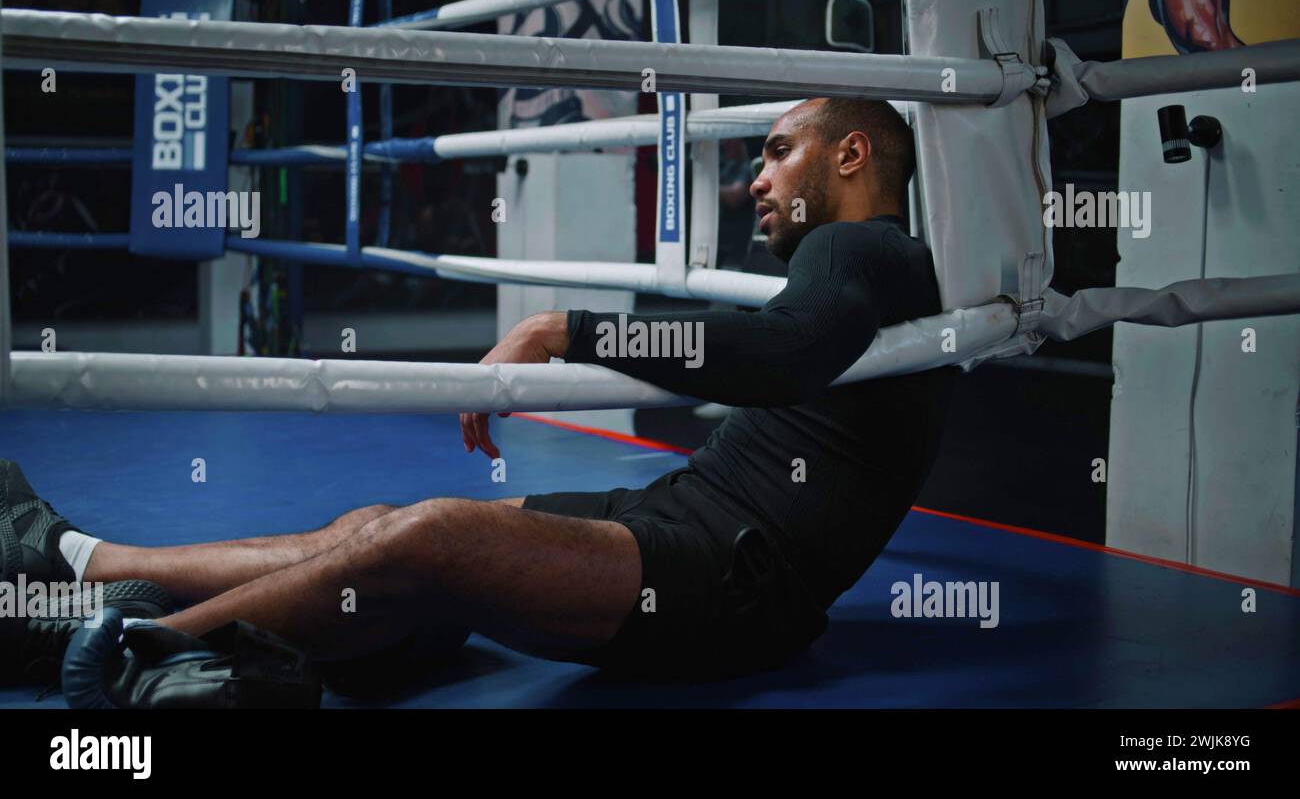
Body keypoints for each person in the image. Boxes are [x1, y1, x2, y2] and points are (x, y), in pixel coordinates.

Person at [0, 97, 960, 704]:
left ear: (851, 156)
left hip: (728, 573)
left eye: (778, 151)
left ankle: (135, 649)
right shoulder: (867, 271)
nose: (756, 176)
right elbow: (793, 352)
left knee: (428, 539)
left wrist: (566, 327)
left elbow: (784, 353)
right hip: (685, 527)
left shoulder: (867, 248)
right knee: (380, 532)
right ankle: (86, 563)